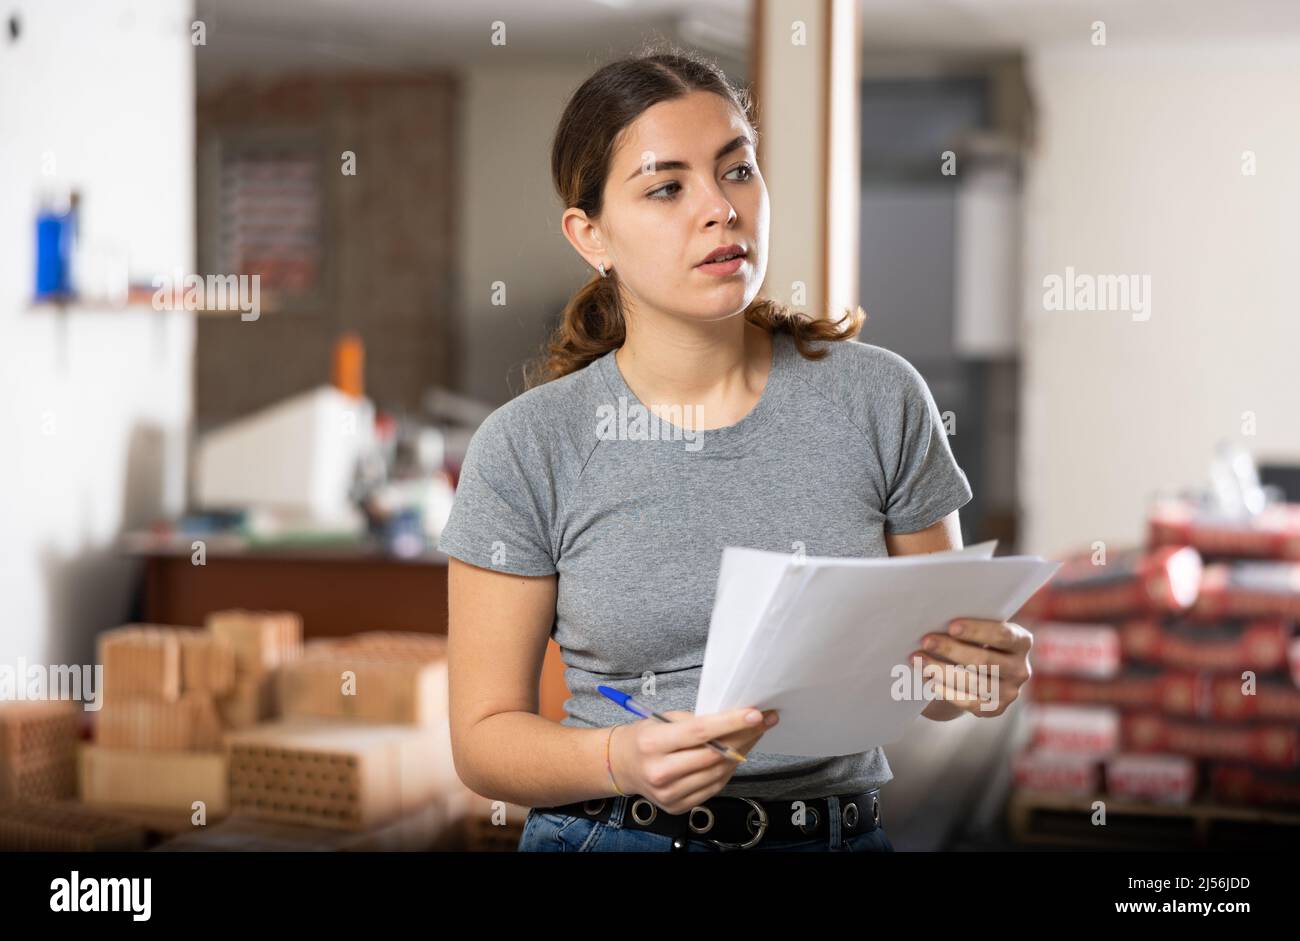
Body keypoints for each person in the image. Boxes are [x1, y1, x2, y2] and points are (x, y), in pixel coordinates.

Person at [438, 44, 1034, 853]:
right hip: (617, 834)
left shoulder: (880, 398)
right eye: (667, 187)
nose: (720, 208)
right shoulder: (526, 446)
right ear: (591, 235)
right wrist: (618, 757)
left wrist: (975, 674)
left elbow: (929, 681)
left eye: (738, 170)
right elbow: (482, 738)